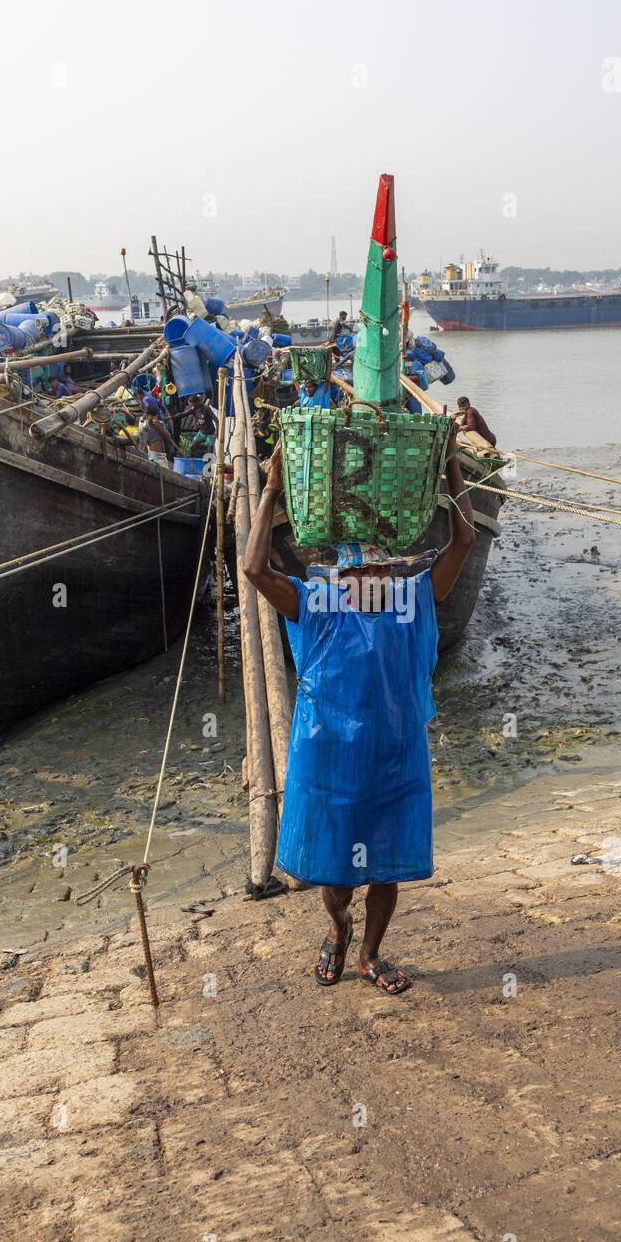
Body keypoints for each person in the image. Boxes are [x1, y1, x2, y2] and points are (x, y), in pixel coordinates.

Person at [244, 425, 475, 995]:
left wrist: (450, 467)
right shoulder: (315, 604)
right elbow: (253, 570)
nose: (370, 579)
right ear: (341, 576)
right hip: (329, 758)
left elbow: (463, 543)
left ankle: (371, 952)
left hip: (396, 755)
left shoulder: (413, 599)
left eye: (381, 570)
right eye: (359, 572)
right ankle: (338, 928)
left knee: (388, 864)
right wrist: (270, 489)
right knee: (336, 869)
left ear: (392, 573)